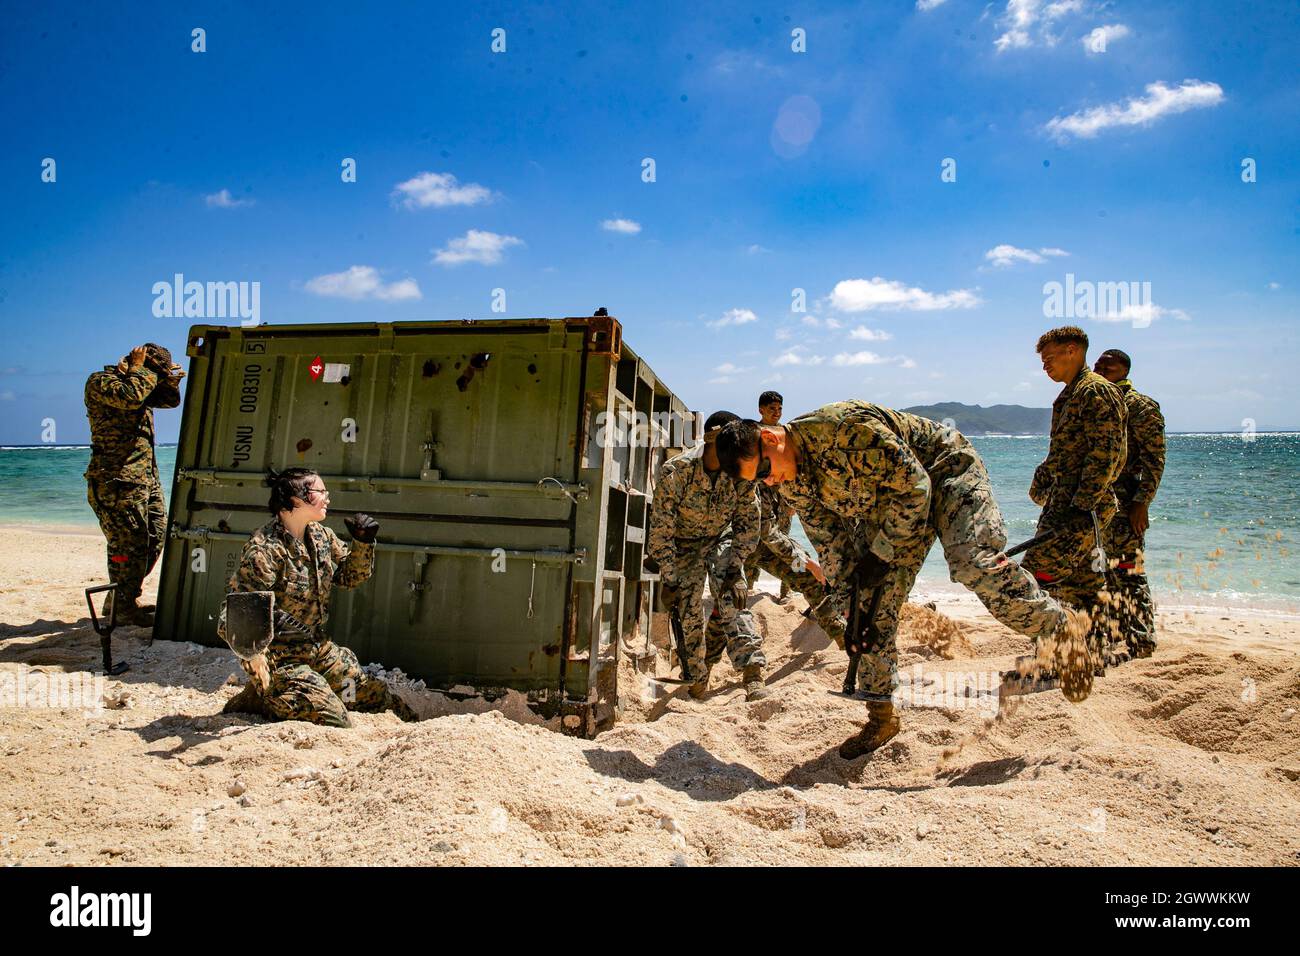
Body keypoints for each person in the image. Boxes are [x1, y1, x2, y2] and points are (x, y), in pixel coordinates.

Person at [717, 403, 1086, 759]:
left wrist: (881, 554)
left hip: (943, 473)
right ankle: (881, 717)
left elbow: (916, 487)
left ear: (769, 438)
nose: (770, 479)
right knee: (864, 605)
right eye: (760, 479)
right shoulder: (789, 481)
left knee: (972, 563)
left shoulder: (845, 429)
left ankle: (1061, 630)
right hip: (892, 503)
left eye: (765, 468)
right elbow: (830, 542)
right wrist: (849, 599)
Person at [218, 468, 417, 727]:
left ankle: (273, 695)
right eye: (320, 491)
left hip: (318, 651)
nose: (327, 497)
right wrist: (261, 648)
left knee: (370, 696)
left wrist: (363, 543)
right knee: (335, 718)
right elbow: (232, 618)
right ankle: (266, 695)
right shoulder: (265, 550)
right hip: (280, 660)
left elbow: (349, 578)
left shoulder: (320, 536)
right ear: (296, 499)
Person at [1025, 327, 1128, 668]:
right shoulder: (1071, 395)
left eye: (1049, 358)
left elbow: (1107, 454)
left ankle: (1056, 656)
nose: (1045, 367)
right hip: (1069, 502)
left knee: (1037, 576)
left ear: (1073, 351)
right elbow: (1064, 452)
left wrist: (1081, 507)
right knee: (1082, 583)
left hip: (1080, 507)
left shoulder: (1096, 392)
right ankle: (1090, 656)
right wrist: (1042, 482)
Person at [648, 411, 769, 701]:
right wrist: (670, 577)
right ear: (713, 440)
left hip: (720, 537)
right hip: (683, 544)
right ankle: (696, 678)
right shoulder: (678, 471)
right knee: (687, 610)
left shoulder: (740, 471)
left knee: (733, 598)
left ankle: (752, 672)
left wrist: (736, 567)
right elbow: (661, 529)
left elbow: (747, 521)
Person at [84, 343, 185, 627]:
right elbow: (131, 397)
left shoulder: (140, 383)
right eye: (151, 371)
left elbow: (168, 401)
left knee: (155, 537)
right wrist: (141, 370)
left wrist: (169, 379)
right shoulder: (101, 382)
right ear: (133, 362)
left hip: (143, 480)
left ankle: (122, 598)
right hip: (115, 481)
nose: (152, 377)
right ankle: (123, 605)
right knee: (127, 546)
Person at [1093, 348, 1165, 659]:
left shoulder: (1140, 406)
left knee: (1128, 570)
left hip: (1126, 504)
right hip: (1097, 503)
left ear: (1124, 369)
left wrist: (1142, 503)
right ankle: (1112, 634)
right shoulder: (1095, 402)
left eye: (1107, 366)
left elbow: (1155, 459)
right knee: (1100, 571)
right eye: (1098, 364)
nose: (1100, 368)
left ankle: (1142, 641)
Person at [744, 391, 797, 603]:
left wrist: (794, 502)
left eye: (779, 409)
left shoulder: (786, 433)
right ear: (761, 410)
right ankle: (748, 584)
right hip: (759, 491)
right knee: (753, 539)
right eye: (772, 409)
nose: (777, 413)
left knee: (784, 540)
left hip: (783, 494)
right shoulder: (754, 433)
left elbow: (793, 464)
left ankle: (788, 589)